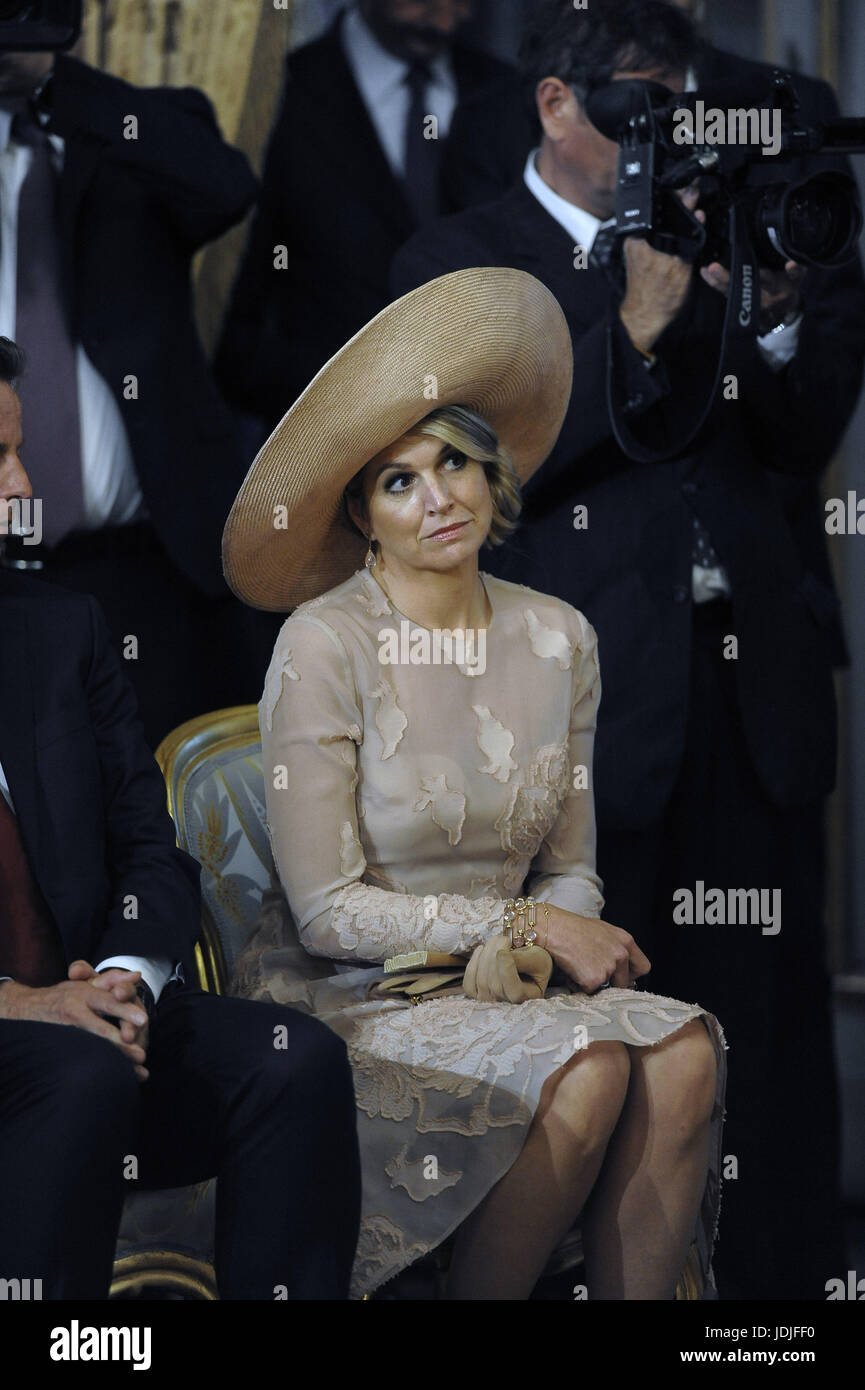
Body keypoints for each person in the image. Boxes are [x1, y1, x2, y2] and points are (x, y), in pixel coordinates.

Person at [390, 0, 865, 1299]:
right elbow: (456, 488)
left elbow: (798, 431)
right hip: (571, 728)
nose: (670, 144)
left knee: (759, 1049)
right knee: (589, 1066)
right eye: (639, 117)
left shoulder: (726, 229)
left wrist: (762, 309)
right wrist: (634, 337)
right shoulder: (463, 261)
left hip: (749, 701)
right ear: (556, 107)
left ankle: (771, 1313)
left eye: (681, 107)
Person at [224, 267, 727, 1301]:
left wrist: (540, 942)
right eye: (398, 480)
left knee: (681, 1053)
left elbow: (573, 867)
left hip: (509, 990)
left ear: (490, 473)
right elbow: (323, 911)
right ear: (361, 513)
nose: (437, 497)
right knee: (586, 1074)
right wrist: (527, 932)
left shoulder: (557, 634)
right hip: (351, 997)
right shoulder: (321, 644)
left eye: (453, 461)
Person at [0, 336, 361, 1300]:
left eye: (19, 450)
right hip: (31, 1040)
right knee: (80, 1079)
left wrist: (118, 983)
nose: (23, 483)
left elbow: (150, 854)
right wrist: (26, 1007)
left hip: (95, 1019)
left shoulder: (59, 628)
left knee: (294, 1066)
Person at [0, 45, 272, 747]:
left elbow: (225, 187)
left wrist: (53, 81)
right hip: (4, 576)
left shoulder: (125, 130)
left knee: (177, 818)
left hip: (147, 566)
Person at [214, 0, 531, 436]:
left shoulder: (508, 93)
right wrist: (351, 396)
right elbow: (229, 326)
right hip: (327, 451)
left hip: (490, 435)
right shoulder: (276, 97)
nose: (449, 17)